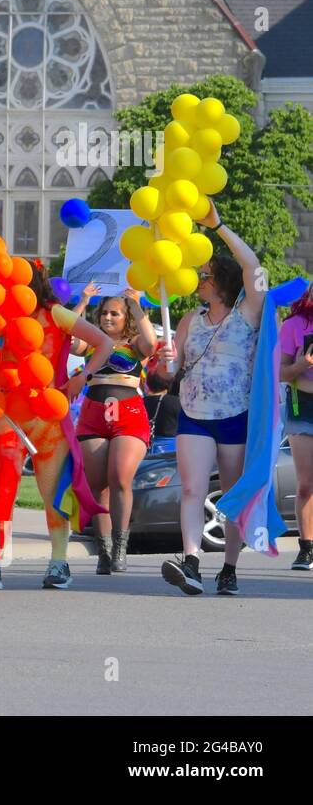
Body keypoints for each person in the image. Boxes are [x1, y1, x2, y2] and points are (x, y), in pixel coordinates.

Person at [0, 263, 114, 591]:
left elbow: (104, 343)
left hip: (48, 418)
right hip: (7, 415)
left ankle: (59, 563)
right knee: (2, 491)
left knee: (53, 494)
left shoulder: (57, 315)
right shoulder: (0, 317)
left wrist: (82, 377)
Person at [155, 199, 266, 595]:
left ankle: (230, 568)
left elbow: (253, 266)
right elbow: (168, 373)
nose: (198, 280)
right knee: (191, 489)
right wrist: (165, 364)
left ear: (224, 281)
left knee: (233, 496)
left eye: (205, 275)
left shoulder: (248, 312)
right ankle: (191, 562)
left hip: (236, 415)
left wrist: (217, 226)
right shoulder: (189, 319)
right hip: (194, 414)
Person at [71, 289, 157, 574]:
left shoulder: (134, 344)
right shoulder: (92, 343)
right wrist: (83, 301)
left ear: (126, 318)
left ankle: (121, 547)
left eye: (115, 313)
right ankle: (104, 551)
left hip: (129, 417)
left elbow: (152, 343)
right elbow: (68, 337)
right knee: (98, 487)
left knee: (120, 478)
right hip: (92, 416)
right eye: (105, 312)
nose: (108, 317)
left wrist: (135, 303)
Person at [278, 282, 313, 570]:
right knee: (306, 484)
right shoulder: (294, 325)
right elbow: (280, 372)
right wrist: (302, 365)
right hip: (302, 407)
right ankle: (306, 548)